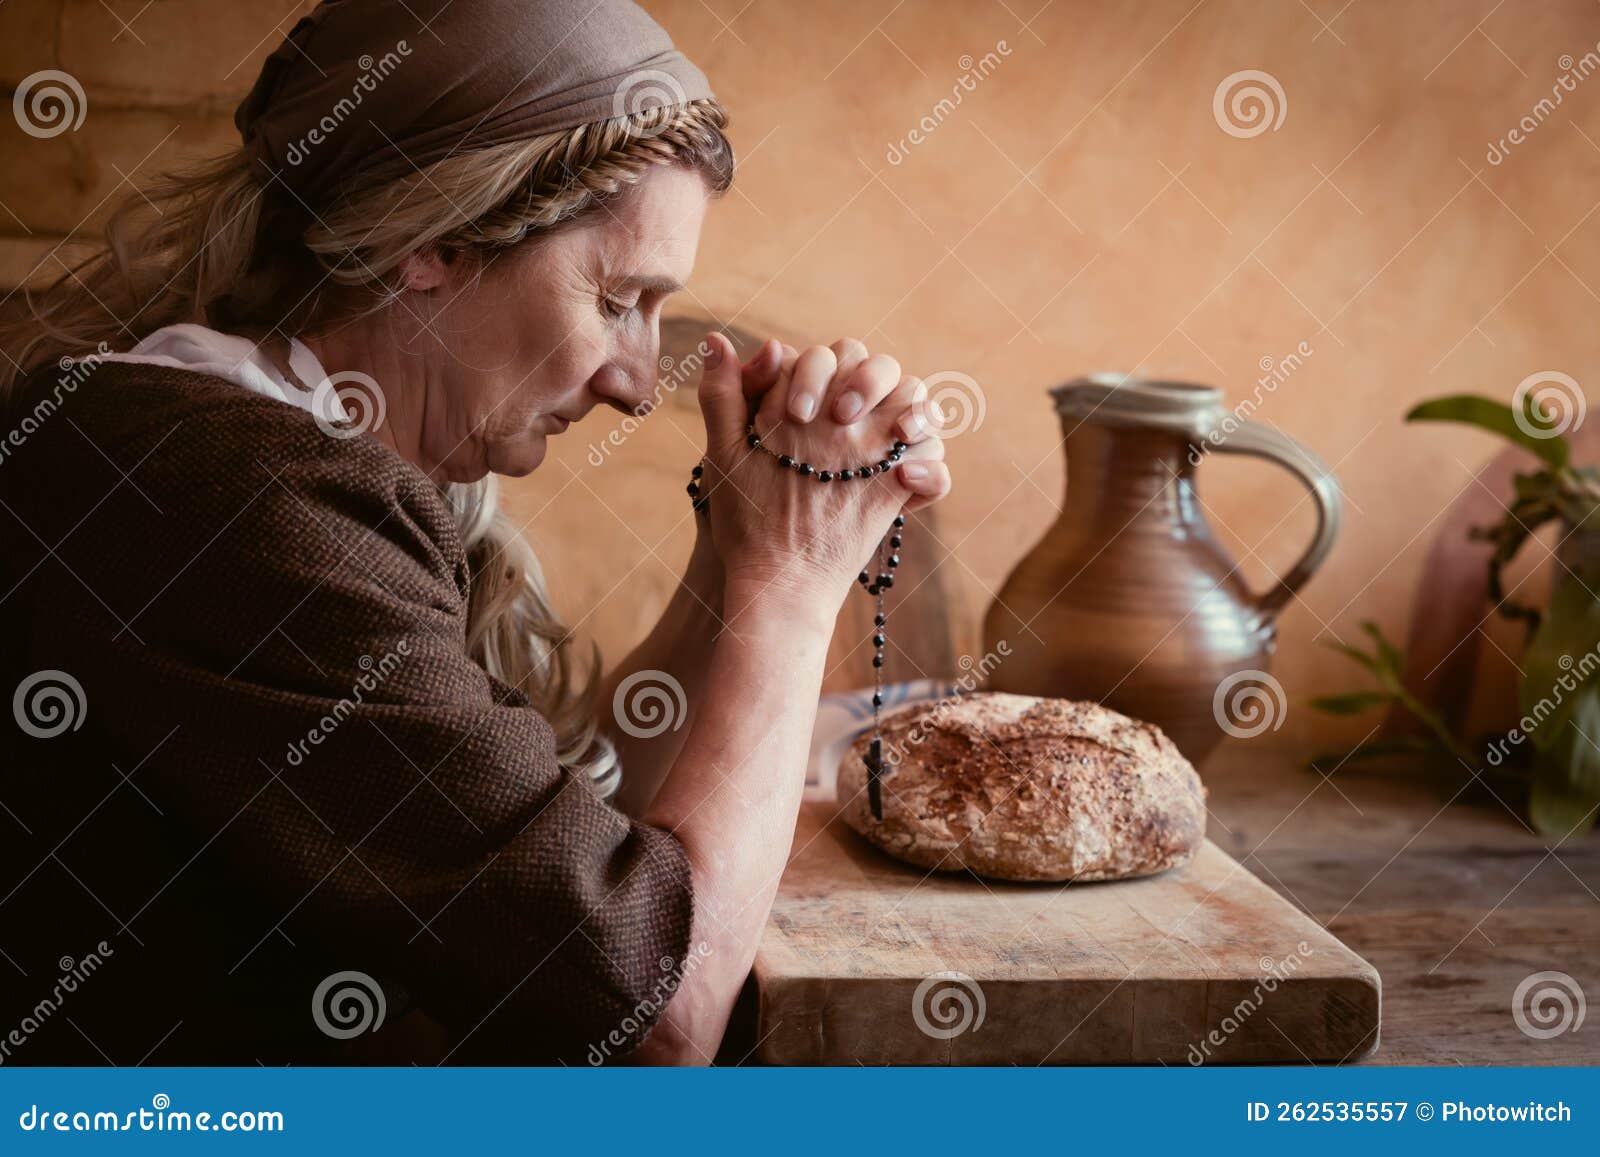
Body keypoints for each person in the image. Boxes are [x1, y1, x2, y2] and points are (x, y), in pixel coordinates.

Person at [0, 0, 950, 1064]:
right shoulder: (234, 497)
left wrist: (737, 556)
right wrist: (796, 577)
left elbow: (581, 843)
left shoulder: (269, 444)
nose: (640, 383)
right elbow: (652, 1009)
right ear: (434, 242)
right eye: (619, 298)